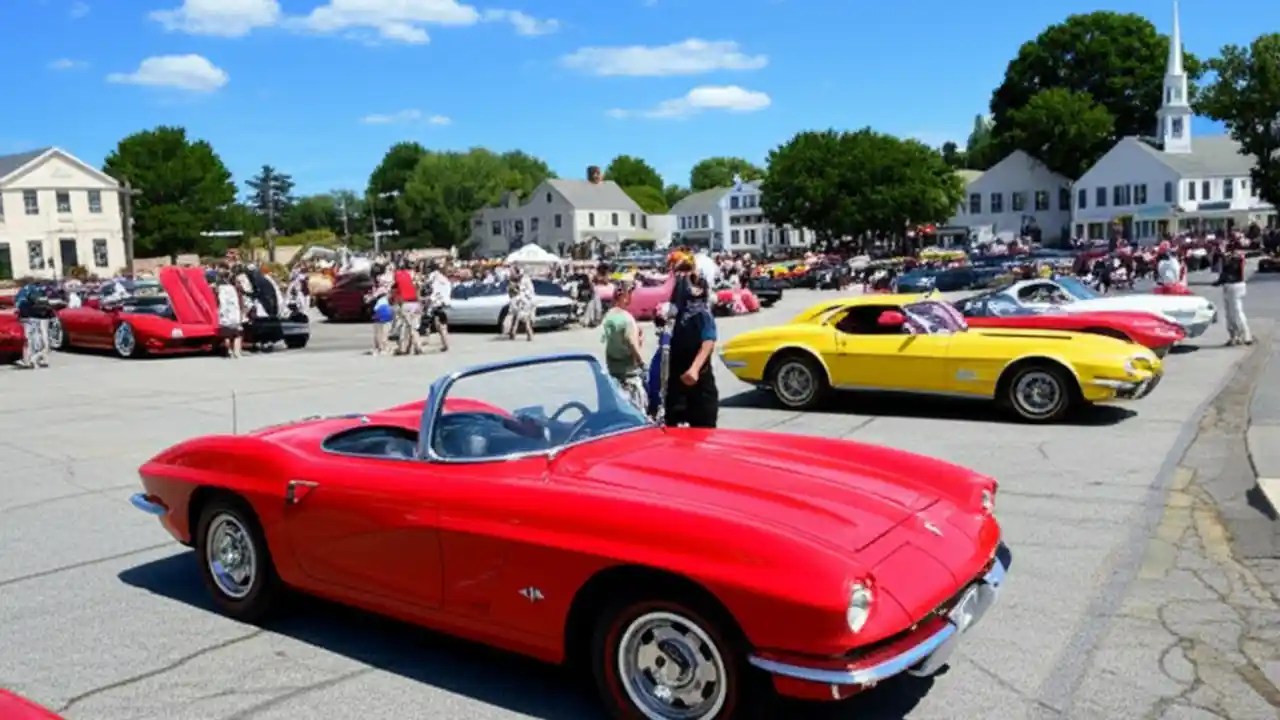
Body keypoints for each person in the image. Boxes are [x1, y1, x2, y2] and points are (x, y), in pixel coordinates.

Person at [664, 272, 718, 428]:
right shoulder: (676, 315)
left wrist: (694, 369)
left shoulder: (702, 313)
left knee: (702, 430)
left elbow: (708, 341)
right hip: (677, 383)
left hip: (698, 382)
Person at [601, 281, 647, 412]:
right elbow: (631, 341)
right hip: (629, 374)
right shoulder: (627, 319)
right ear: (624, 296)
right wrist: (642, 363)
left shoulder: (609, 317)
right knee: (636, 410)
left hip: (613, 371)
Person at [1213, 243, 1252, 346]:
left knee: (1236, 311)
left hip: (1234, 286)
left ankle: (1245, 335)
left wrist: (1219, 281)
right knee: (1230, 314)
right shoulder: (1230, 258)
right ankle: (1234, 336)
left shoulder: (1234, 258)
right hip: (1230, 286)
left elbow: (1228, 273)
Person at [14, 282, 53, 369]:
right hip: (43, 316)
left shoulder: (24, 290)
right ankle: (43, 358)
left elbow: (19, 303)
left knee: (29, 338)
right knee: (42, 335)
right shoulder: (41, 290)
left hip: (30, 316)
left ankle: (28, 360)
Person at [392, 261, 423, 355]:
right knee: (413, 327)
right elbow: (417, 289)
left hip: (406, 303)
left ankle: (409, 348)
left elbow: (396, 290)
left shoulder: (397, 275)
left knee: (405, 327)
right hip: (415, 303)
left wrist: (397, 303)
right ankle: (411, 347)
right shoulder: (412, 276)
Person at [215, 271, 245, 358]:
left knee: (227, 335)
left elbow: (220, 302)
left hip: (225, 315)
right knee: (237, 334)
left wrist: (220, 312)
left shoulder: (220, 289)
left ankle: (229, 351)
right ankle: (237, 352)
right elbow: (239, 302)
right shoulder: (234, 289)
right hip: (234, 314)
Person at [424, 262, 452, 352]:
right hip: (445, 302)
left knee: (440, 325)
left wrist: (429, 299)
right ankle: (445, 343)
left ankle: (445, 344)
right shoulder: (444, 278)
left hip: (437, 303)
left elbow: (431, 289)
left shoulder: (433, 276)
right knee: (441, 325)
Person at [507, 267, 535, 341]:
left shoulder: (526, 280)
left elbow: (531, 290)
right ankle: (512, 333)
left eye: (513, 272)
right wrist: (514, 291)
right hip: (516, 301)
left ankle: (529, 334)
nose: (511, 274)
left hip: (524, 301)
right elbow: (510, 292)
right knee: (516, 317)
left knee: (524, 318)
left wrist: (524, 294)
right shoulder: (512, 281)